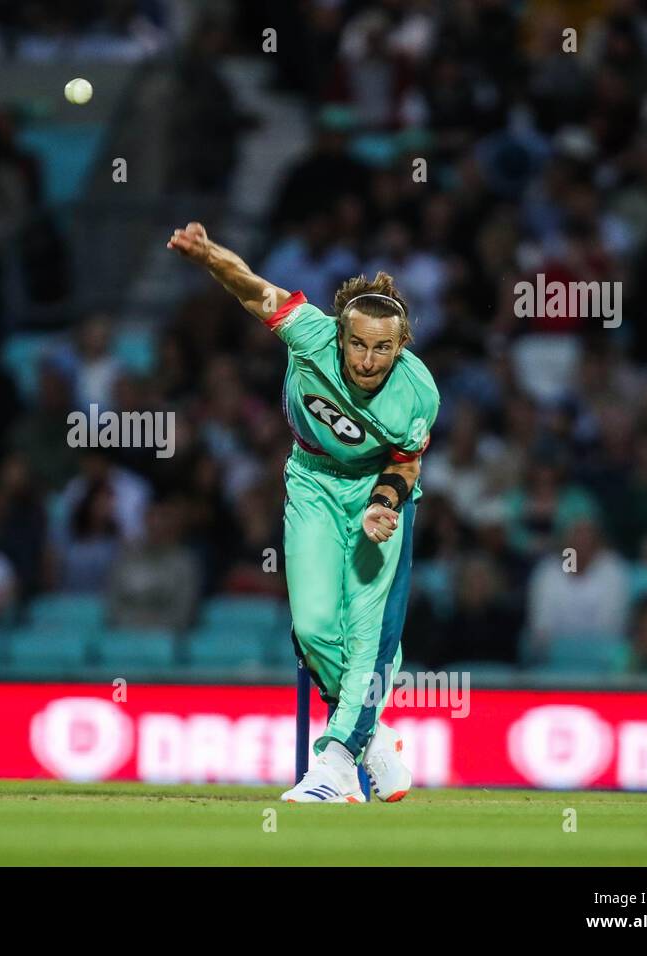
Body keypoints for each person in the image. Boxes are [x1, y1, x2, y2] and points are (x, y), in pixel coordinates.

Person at [167, 221, 439, 804]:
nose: (368, 360)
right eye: (358, 343)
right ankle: (374, 738)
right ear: (340, 334)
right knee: (314, 627)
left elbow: (407, 462)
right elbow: (248, 287)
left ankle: (338, 763)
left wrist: (385, 506)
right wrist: (207, 252)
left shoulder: (418, 392)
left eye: (383, 347)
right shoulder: (308, 333)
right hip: (312, 482)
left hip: (374, 495)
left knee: (368, 636)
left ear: (401, 344)